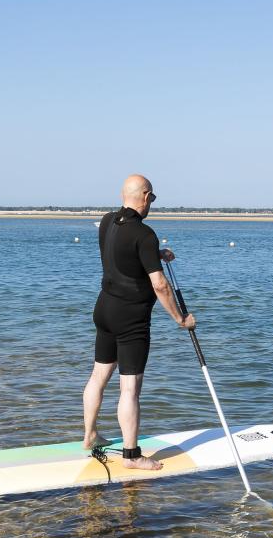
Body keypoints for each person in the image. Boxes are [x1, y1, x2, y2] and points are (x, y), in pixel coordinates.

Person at [82, 174, 194, 470]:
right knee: (129, 389)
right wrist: (181, 319)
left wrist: (154, 256)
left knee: (98, 377)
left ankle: (90, 435)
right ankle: (131, 456)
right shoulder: (145, 234)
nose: (152, 204)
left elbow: (121, 256)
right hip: (131, 319)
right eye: (152, 198)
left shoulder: (107, 221)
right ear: (144, 196)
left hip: (104, 309)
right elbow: (160, 285)